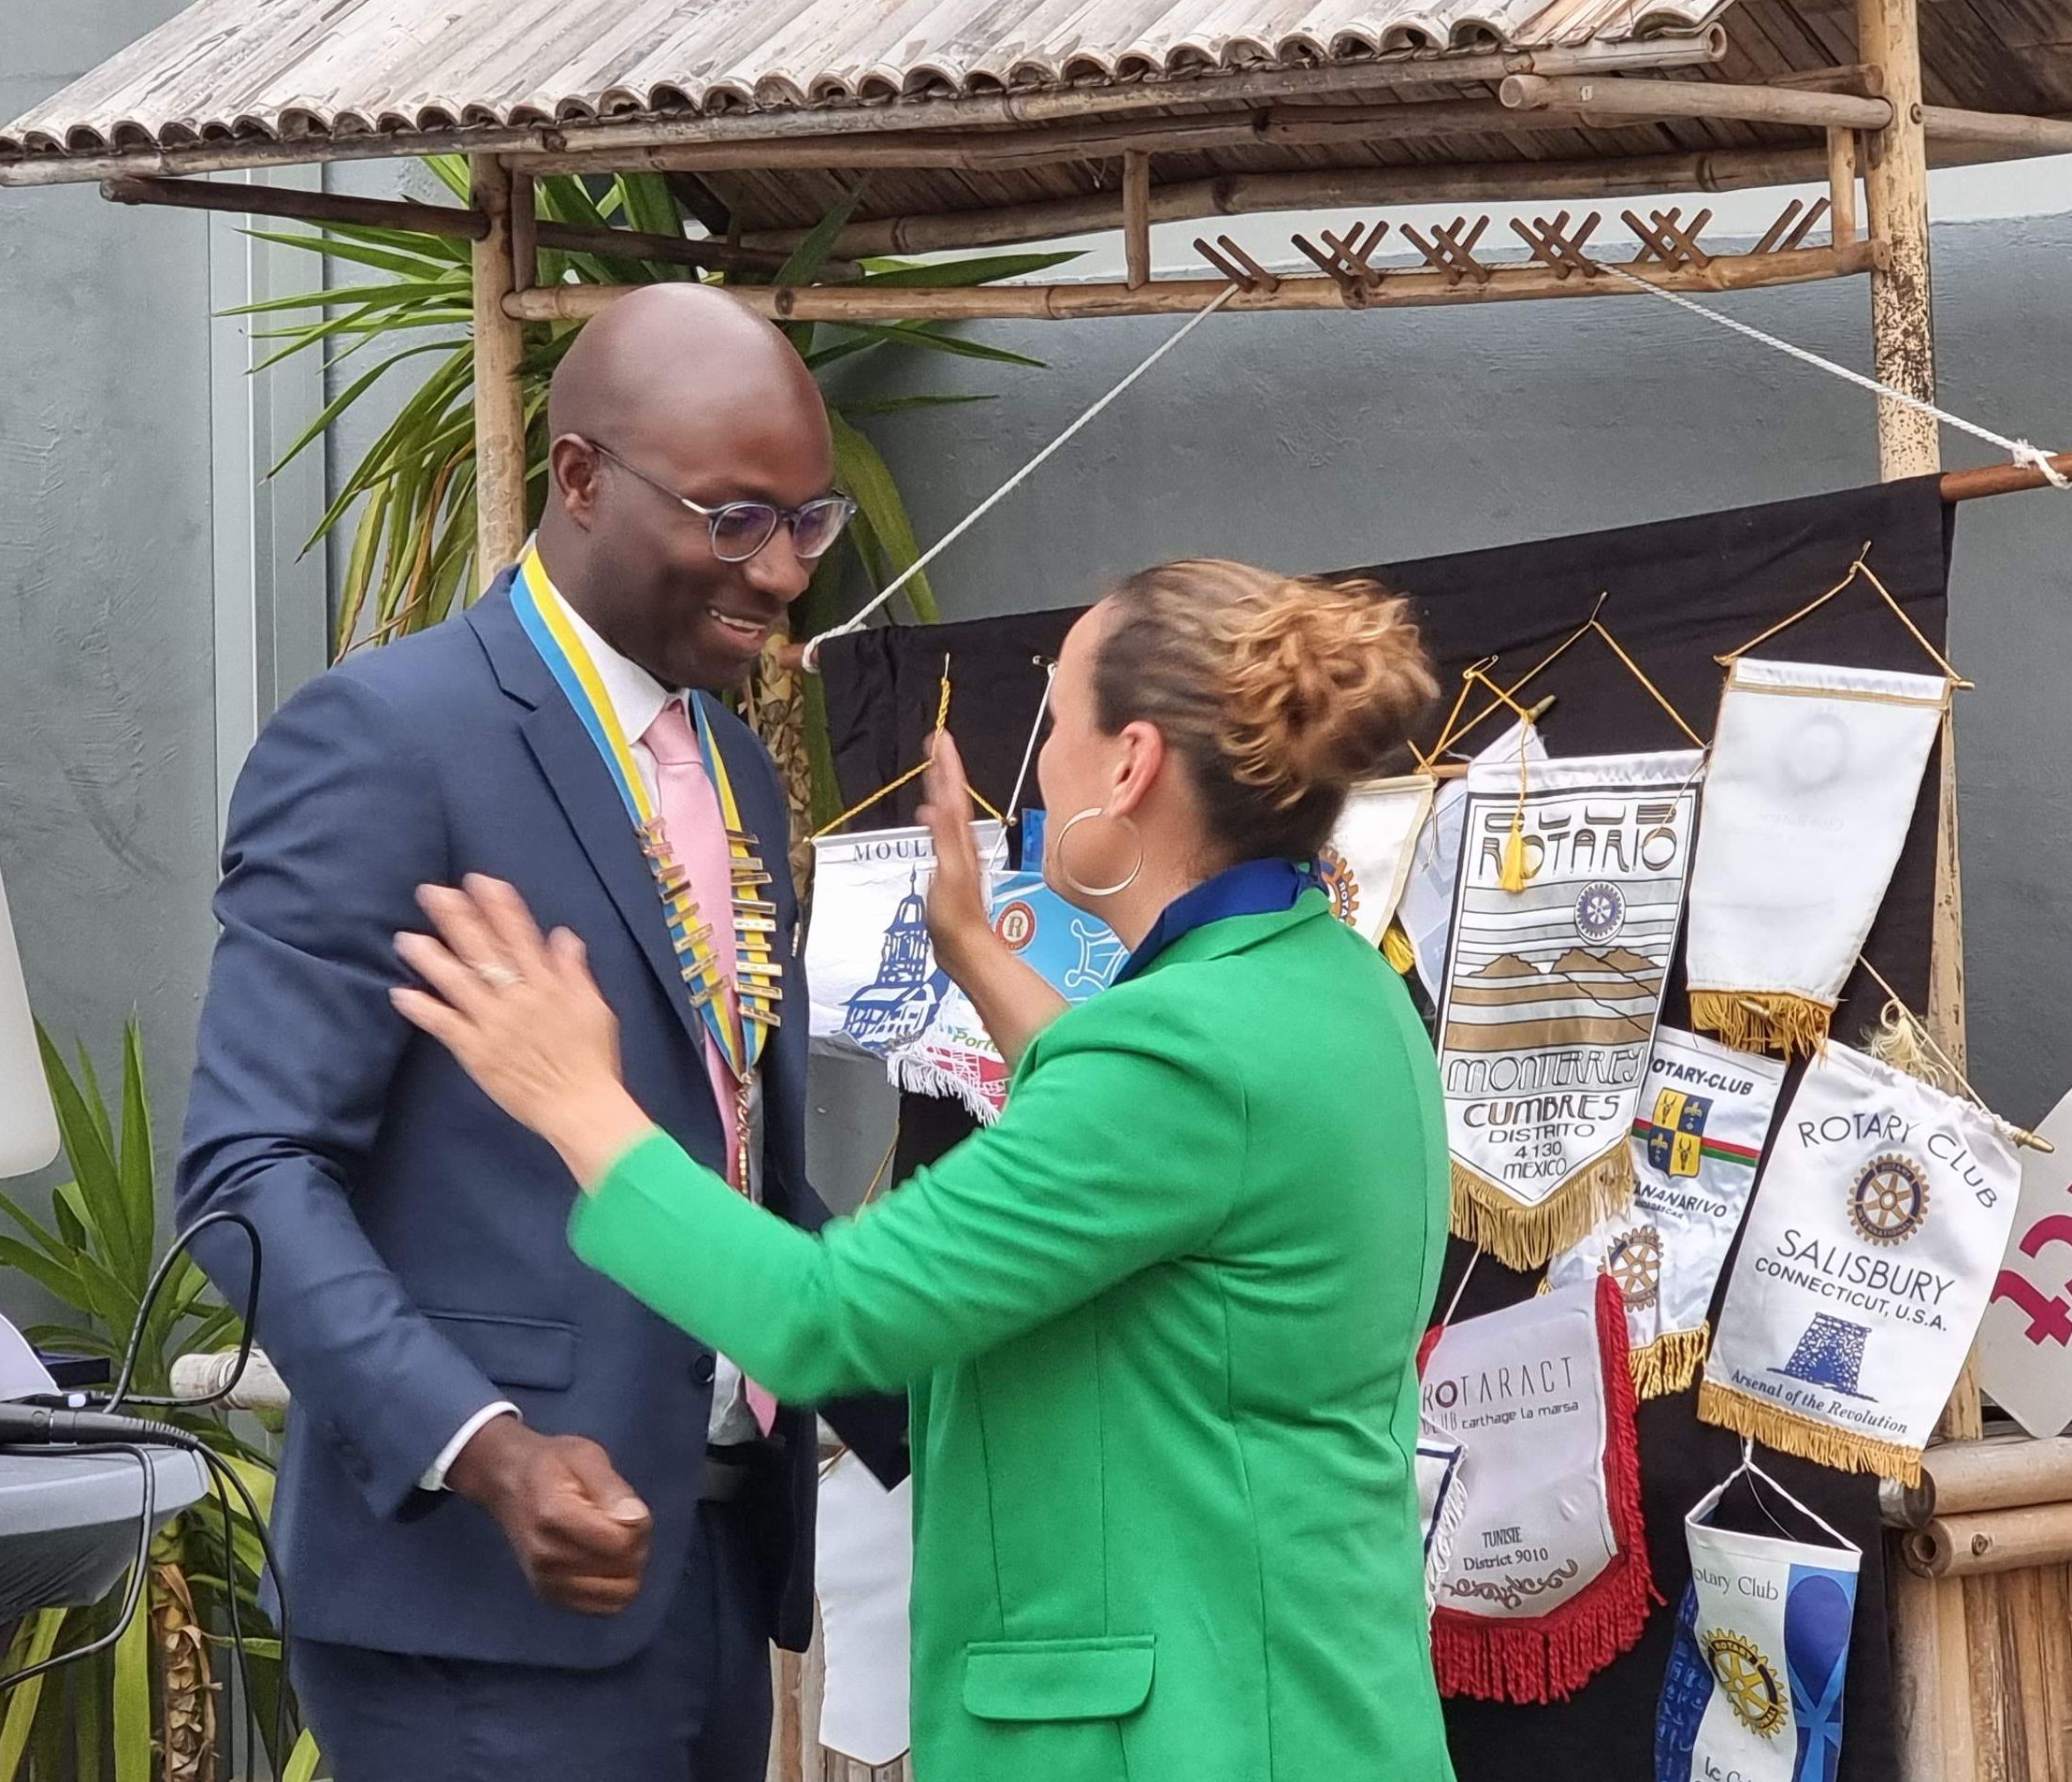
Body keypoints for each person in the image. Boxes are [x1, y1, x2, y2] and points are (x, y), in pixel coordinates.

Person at [392, 558, 1458, 1781]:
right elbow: (1149, 1163)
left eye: (1056, 720)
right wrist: (969, 949)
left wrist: (575, 1099)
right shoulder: (1340, 993)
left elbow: (820, 1316)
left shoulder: (1180, 1053)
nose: (1037, 762)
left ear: (1131, 764)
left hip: (1178, 1738)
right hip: (1313, 1709)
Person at [177, 283, 900, 1782]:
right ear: (578, 478)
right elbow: (248, 1174)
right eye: (737, 520)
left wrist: (955, 1406)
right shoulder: (386, 739)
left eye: (810, 524)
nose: (784, 574)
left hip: (709, 1568)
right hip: (472, 1605)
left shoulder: (738, 774)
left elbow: (738, 1174)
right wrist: (484, 1445)